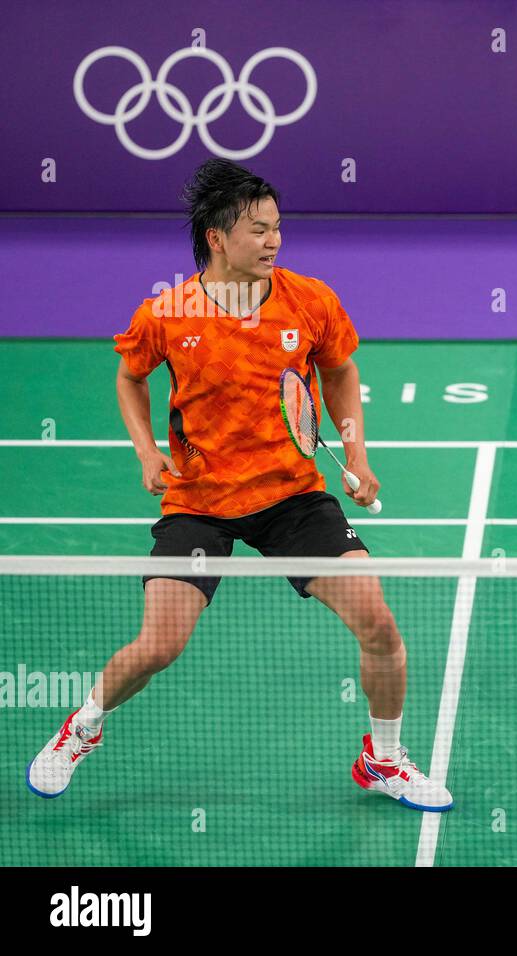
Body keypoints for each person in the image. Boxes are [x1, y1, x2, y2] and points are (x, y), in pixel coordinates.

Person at [27, 159, 452, 809]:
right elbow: (130, 377)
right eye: (258, 230)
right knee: (159, 645)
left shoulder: (309, 299)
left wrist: (357, 455)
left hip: (292, 497)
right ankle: (83, 727)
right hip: (201, 503)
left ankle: (384, 758)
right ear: (217, 238)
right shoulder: (167, 314)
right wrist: (146, 454)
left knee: (380, 625)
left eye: (278, 227)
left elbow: (339, 371)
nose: (274, 241)